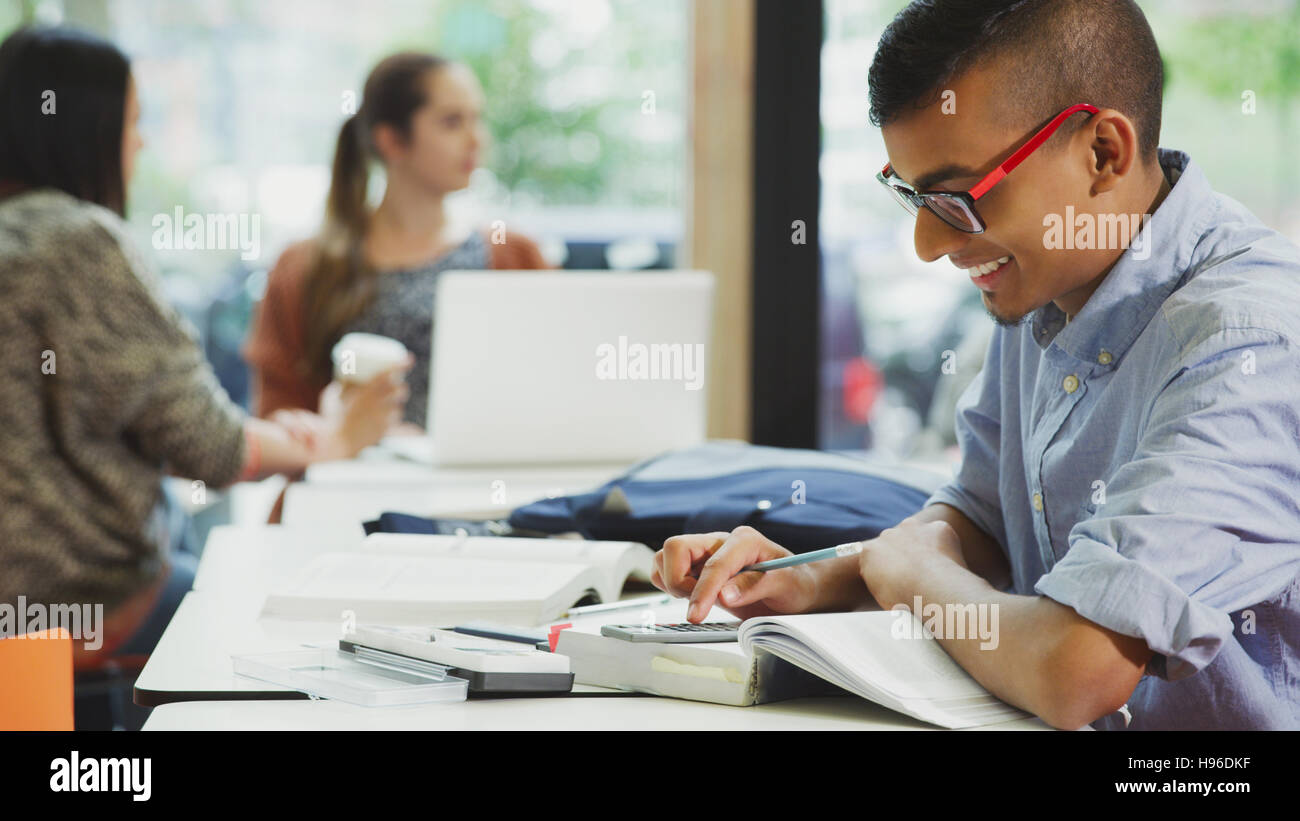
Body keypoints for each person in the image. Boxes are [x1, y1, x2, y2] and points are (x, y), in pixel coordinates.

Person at [653, 0, 1300, 730]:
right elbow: (984, 519)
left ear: (1103, 154)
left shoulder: (1253, 341)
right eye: (913, 195)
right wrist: (820, 576)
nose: (928, 243)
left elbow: (1074, 669)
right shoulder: (1048, 279)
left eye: (957, 198)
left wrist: (916, 577)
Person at [0, 25, 408, 663]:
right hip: (70, 611)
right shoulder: (78, 245)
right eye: (133, 121)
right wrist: (333, 440)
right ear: (84, 130)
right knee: (292, 631)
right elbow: (211, 448)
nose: (141, 141)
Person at [244, 52, 549, 430]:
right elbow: (277, 415)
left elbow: (556, 387)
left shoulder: (515, 255)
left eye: (477, 119)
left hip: (481, 483)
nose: (477, 139)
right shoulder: (304, 266)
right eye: (452, 122)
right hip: (347, 482)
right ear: (391, 140)